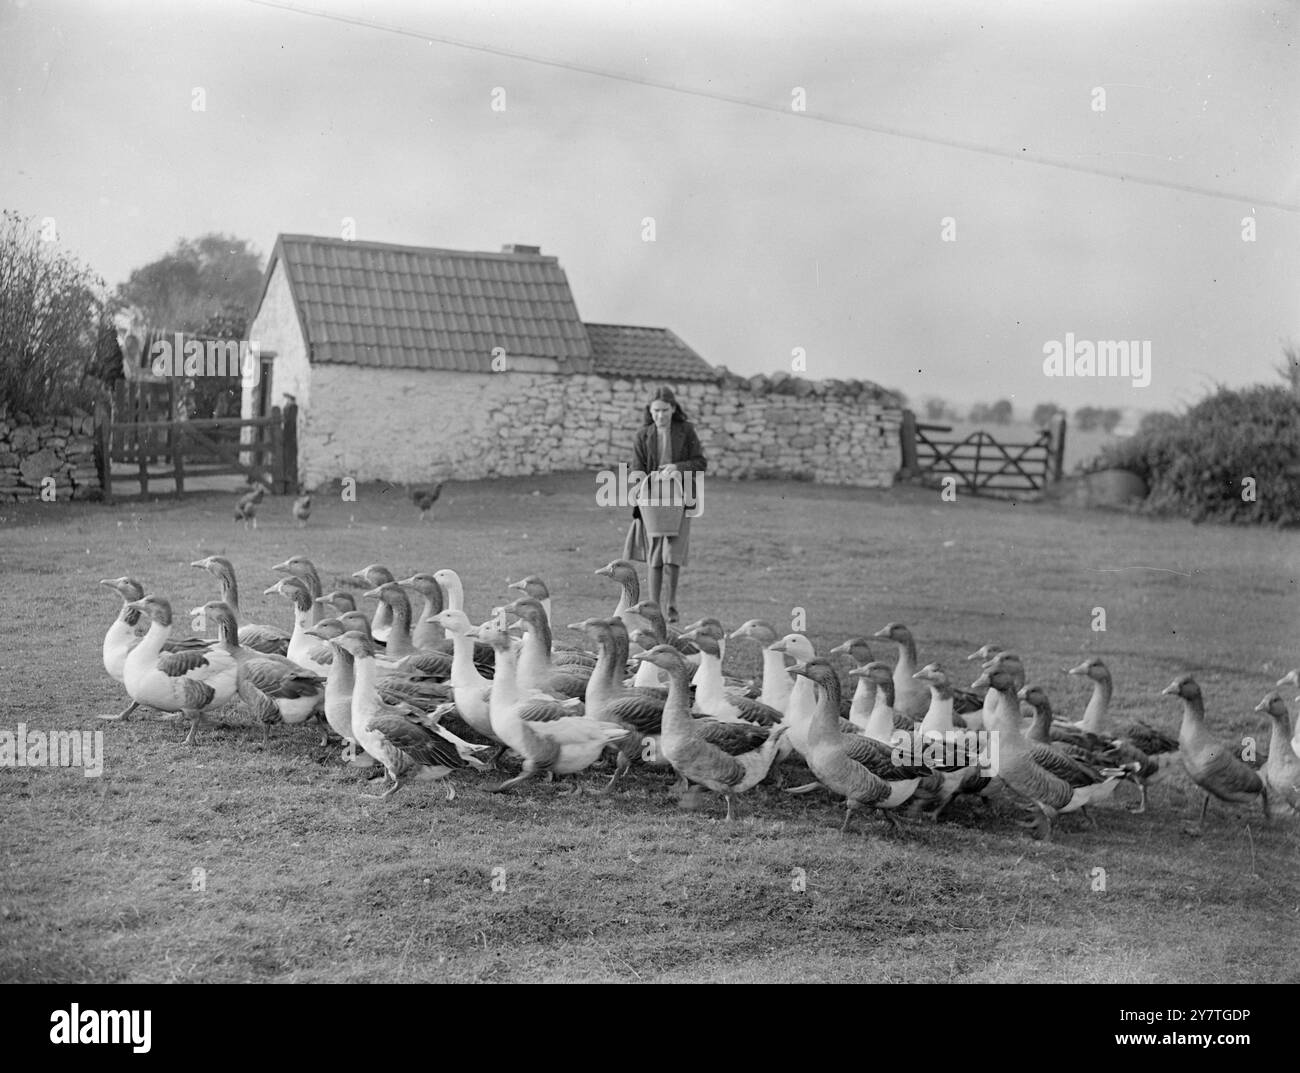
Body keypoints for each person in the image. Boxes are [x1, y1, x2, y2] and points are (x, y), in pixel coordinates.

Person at [621, 386, 707, 622]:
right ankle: (654, 606)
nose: (660, 416)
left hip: (680, 496)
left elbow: (700, 462)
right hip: (652, 499)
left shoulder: (686, 431)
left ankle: (672, 603)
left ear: (673, 409)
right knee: (655, 554)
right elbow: (637, 468)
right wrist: (639, 483)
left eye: (665, 410)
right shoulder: (643, 435)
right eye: (656, 411)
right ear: (650, 411)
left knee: (674, 553)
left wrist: (677, 468)